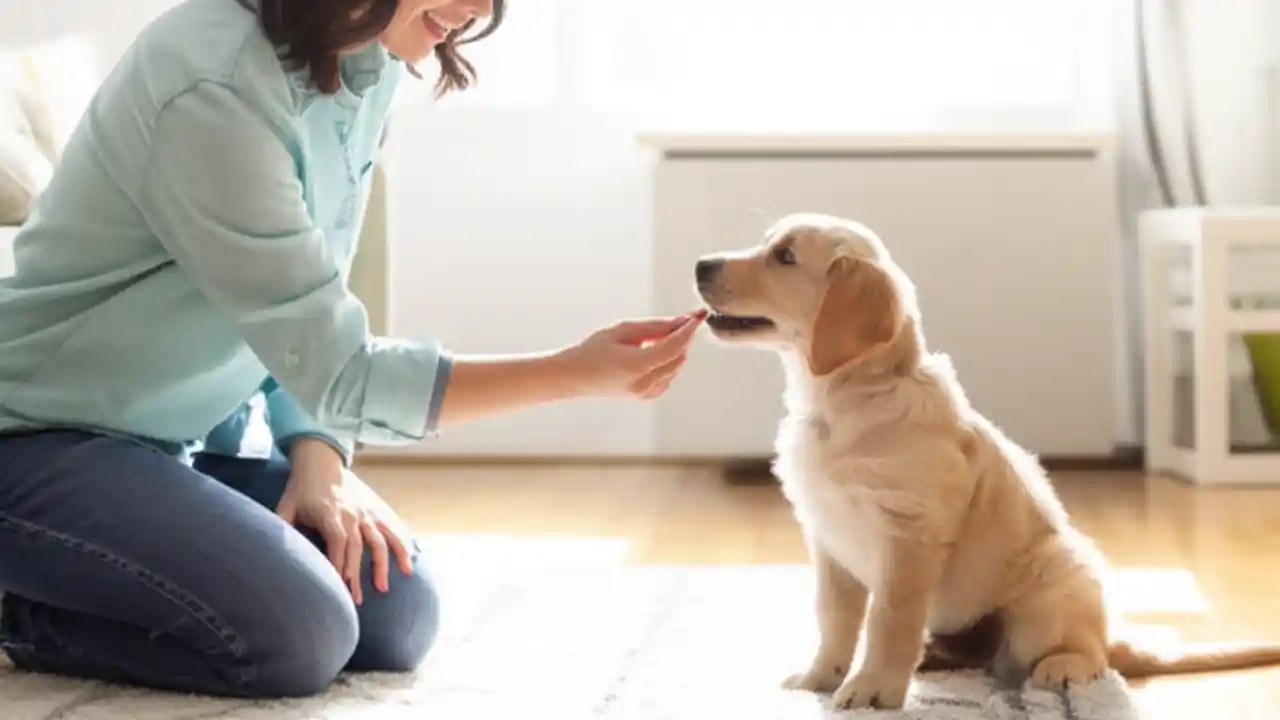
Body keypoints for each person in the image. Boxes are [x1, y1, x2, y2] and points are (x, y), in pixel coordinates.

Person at [0, 0, 705, 700]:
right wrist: (570, 374)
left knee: (395, 611)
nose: (476, 9)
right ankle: (17, 614)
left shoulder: (363, 61)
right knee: (296, 635)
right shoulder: (212, 83)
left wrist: (319, 457)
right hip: (34, 436)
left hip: (164, 442)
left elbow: (309, 302)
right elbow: (340, 367)